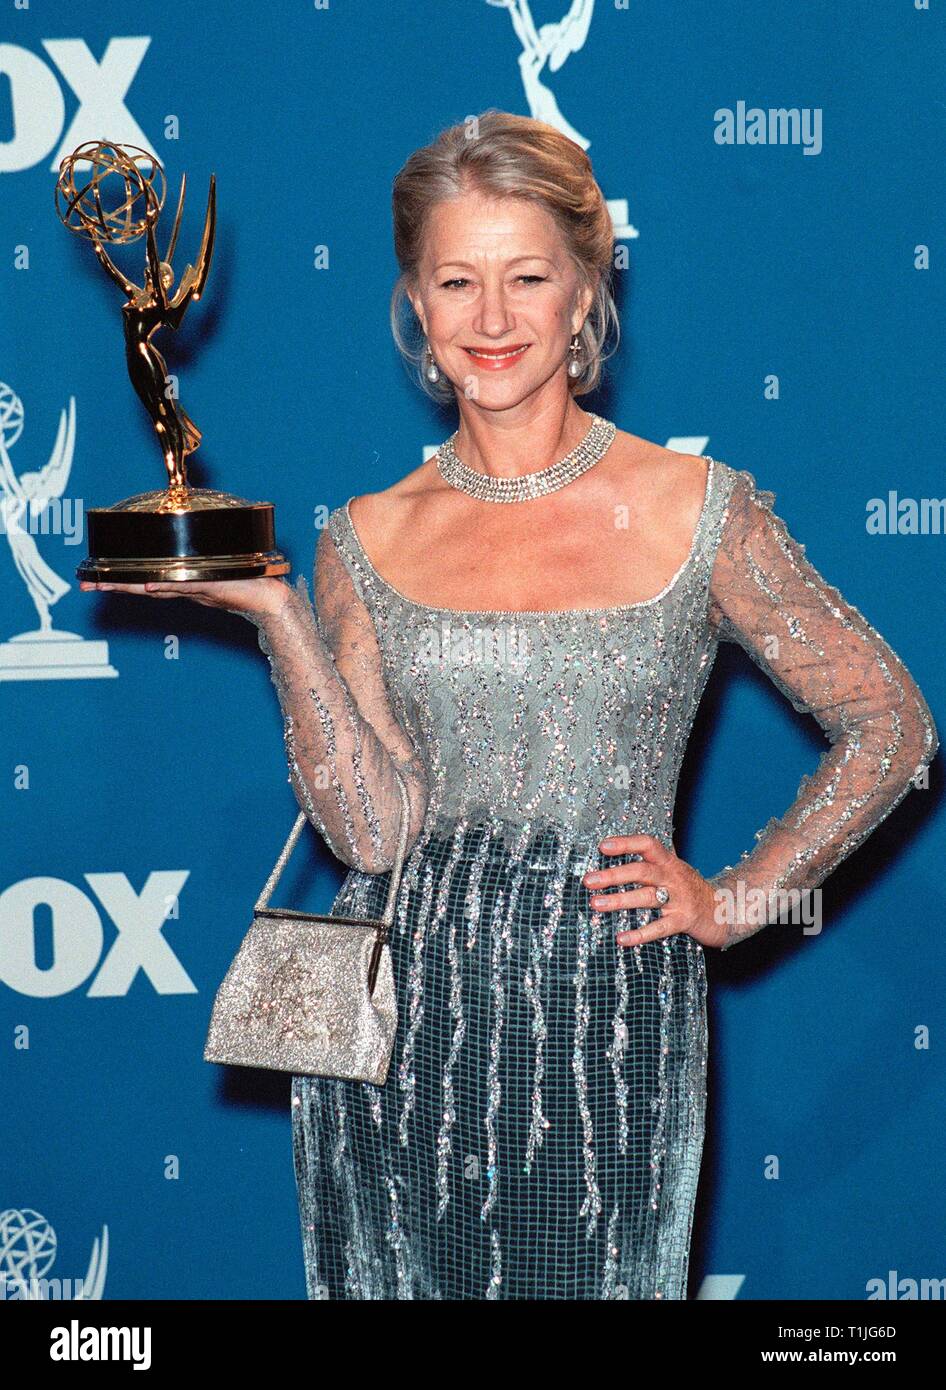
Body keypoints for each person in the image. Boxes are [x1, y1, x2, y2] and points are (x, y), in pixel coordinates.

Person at [80, 110, 938, 1300]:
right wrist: (281, 620)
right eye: (456, 281)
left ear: (584, 292)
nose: (492, 319)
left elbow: (892, 722)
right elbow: (372, 836)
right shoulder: (366, 534)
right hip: (393, 1043)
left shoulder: (698, 508)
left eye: (527, 277)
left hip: (604, 1036)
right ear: (415, 305)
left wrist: (739, 899)